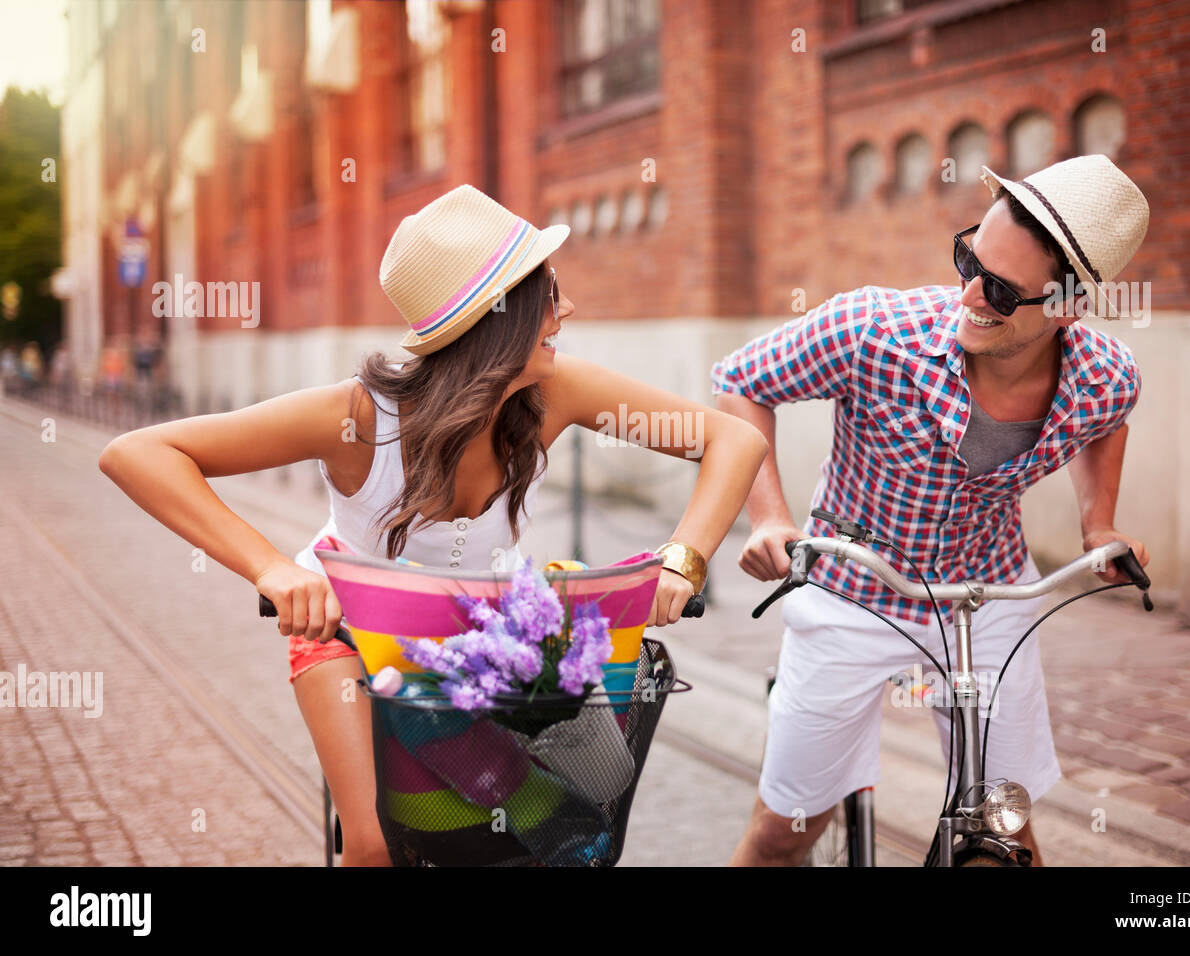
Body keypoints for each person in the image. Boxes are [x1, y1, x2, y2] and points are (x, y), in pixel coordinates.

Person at [99, 184, 768, 866]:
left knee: (568, 814)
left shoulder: (553, 392)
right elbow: (139, 453)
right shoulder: (358, 418)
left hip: (487, 646)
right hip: (351, 638)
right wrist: (273, 567)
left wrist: (684, 559)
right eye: (547, 291)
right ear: (495, 317)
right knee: (373, 848)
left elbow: (732, 441)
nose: (566, 308)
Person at [713, 154, 1152, 866]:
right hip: (851, 589)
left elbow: (1108, 423)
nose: (971, 295)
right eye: (967, 261)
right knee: (782, 834)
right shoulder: (873, 330)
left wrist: (1097, 525)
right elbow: (739, 382)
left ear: (1067, 308)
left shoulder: (1105, 374)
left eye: (1004, 292)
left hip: (987, 594)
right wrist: (768, 517)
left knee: (1003, 832)